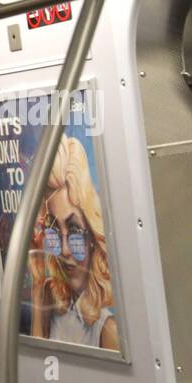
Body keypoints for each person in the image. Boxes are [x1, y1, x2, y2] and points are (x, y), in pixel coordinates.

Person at [27, 137, 120, 351]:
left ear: (93, 237)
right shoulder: (53, 303)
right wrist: (38, 284)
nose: (66, 250)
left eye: (76, 231)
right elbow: (40, 370)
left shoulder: (108, 331)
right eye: (55, 232)